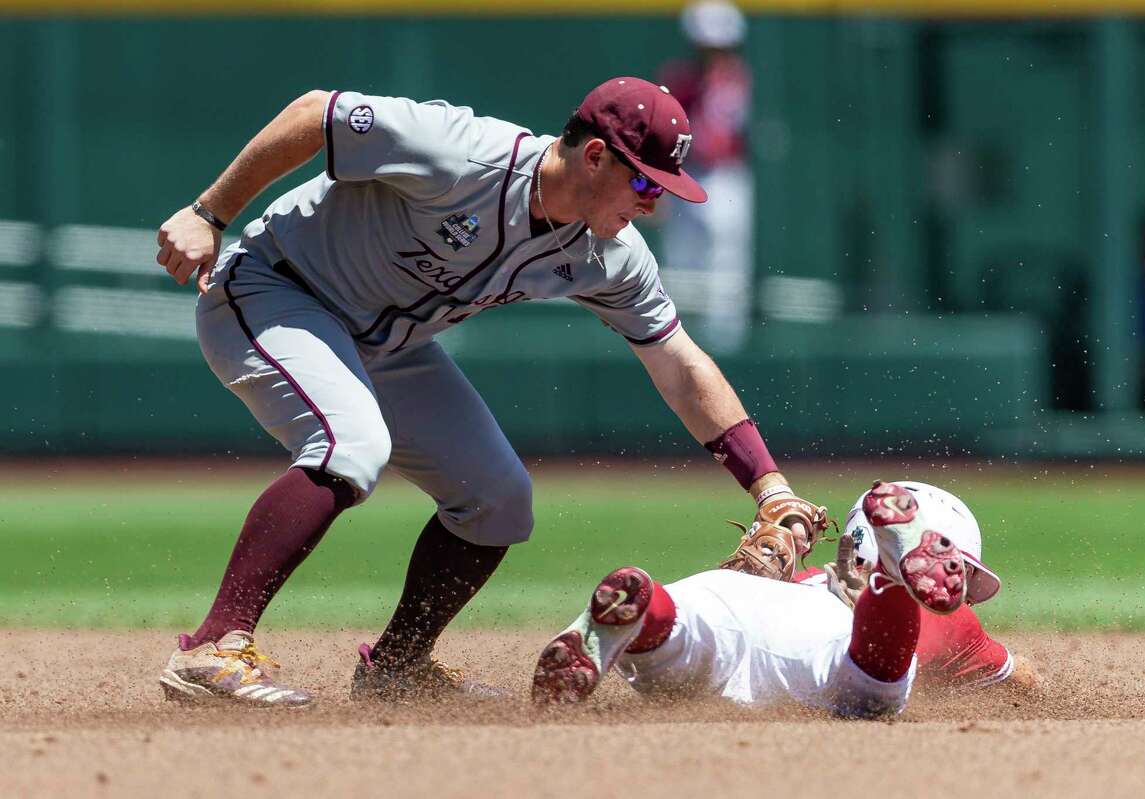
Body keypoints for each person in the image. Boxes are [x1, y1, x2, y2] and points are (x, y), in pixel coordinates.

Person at [153, 77, 857, 708]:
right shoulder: (464, 153)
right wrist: (209, 214)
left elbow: (679, 361)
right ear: (594, 157)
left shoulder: (606, 252)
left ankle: (398, 666)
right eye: (645, 185)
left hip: (388, 342)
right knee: (350, 443)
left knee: (498, 499)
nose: (651, 206)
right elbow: (314, 113)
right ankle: (216, 644)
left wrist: (768, 485)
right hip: (274, 288)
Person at [531, 481, 1041, 714]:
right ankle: (891, 586)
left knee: (681, 638)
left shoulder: (804, 576)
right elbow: (1021, 684)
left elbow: (753, 600)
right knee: (875, 687)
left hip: (736, 597)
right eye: (959, 575)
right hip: (826, 641)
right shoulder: (952, 622)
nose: (960, 594)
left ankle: (650, 611)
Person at [657, 0, 754, 354]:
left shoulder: (738, 80)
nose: (712, 52)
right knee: (682, 259)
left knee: (726, 259)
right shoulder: (681, 81)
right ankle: (677, 339)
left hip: (726, 176)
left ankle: (726, 341)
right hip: (687, 174)